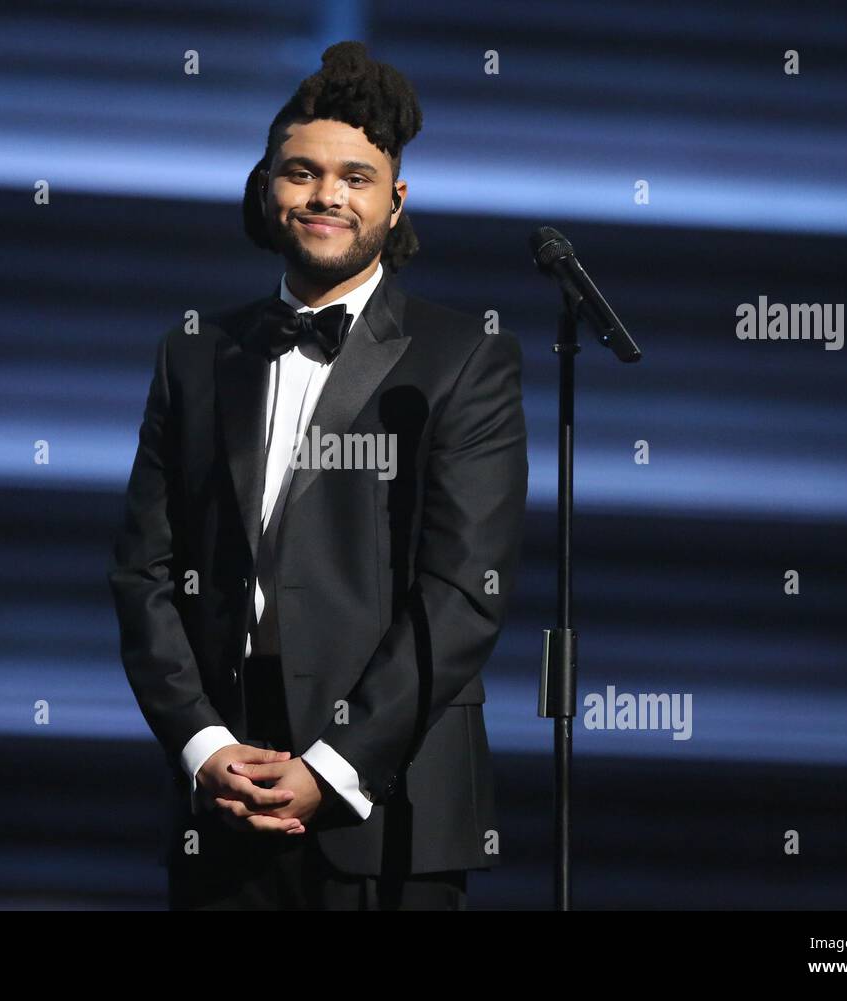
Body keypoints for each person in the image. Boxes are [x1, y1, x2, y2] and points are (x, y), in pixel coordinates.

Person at [109, 41, 528, 910]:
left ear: (395, 199)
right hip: (222, 810)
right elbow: (144, 573)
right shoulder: (194, 354)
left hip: (393, 814)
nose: (327, 195)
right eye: (302, 172)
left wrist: (333, 765)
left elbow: (462, 596)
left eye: (355, 177)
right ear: (268, 187)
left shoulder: (464, 359)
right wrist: (204, 746)